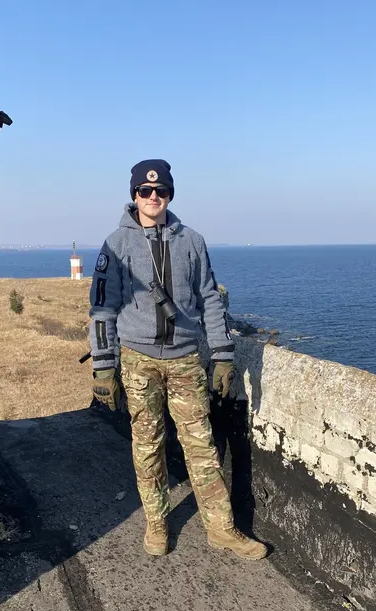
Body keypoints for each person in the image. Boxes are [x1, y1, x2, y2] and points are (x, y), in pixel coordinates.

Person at [89, 159, 266, 560]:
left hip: (186, 358)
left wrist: (222, 355)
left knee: (201, 445)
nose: (153, 197)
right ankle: (156, 523)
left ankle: (221, 528)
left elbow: (210, 301)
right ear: (134, 195)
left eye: (161, 191)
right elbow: (102, 309)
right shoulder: (116, 245)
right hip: (138, 360)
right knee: (147, 445)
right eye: (145, 191)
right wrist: (103, 365)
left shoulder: (192, 241)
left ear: (170, 195)